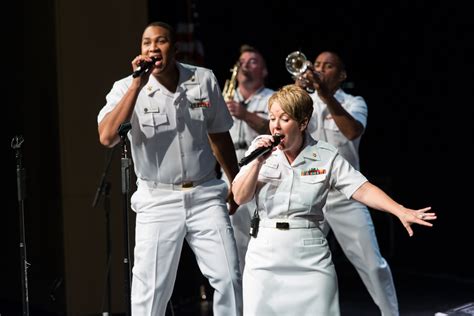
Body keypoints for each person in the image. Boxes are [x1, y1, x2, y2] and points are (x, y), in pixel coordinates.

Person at [232, 84, 436, 315]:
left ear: (302, 123)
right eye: (272, 118)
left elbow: (362, 188)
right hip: (264, 257)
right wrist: (258, 161)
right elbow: (239, 196)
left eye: (284, 119)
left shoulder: (325, 155)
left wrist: (400, 210)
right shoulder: (260, 149)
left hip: (309, 257)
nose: (275, 125)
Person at [97, 21, 242, 316]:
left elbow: (219, 136)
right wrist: (138, 85)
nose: (152, 47)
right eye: (146, 42)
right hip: (157, 199)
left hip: (205, 194)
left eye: (160, 41)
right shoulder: (126, 87)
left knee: (230, 278)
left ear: (174, 49)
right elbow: (107, 137)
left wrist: (235, 183)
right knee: (150, 292)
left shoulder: (203, 79)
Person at [295, 50, 400, 315]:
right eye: (316, 64)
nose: (318, 69)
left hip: (345, 195)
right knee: (300, 263)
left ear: (341, 75)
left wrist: (324, 95)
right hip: (309, 194)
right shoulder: (303, 102)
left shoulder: (354, 102)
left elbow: (352, 131)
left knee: (372, 264)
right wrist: (295, 95)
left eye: (327, 66)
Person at [223, 44, 274, 273]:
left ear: (263, 71)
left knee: (260, 237)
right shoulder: (225, 96)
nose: (245, 65)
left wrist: (244, 114)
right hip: (227, 169)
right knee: (232, 242)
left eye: (252, 61)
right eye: (242, 61)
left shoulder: (272, 98)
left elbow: (274, 131)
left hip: (260, 171)